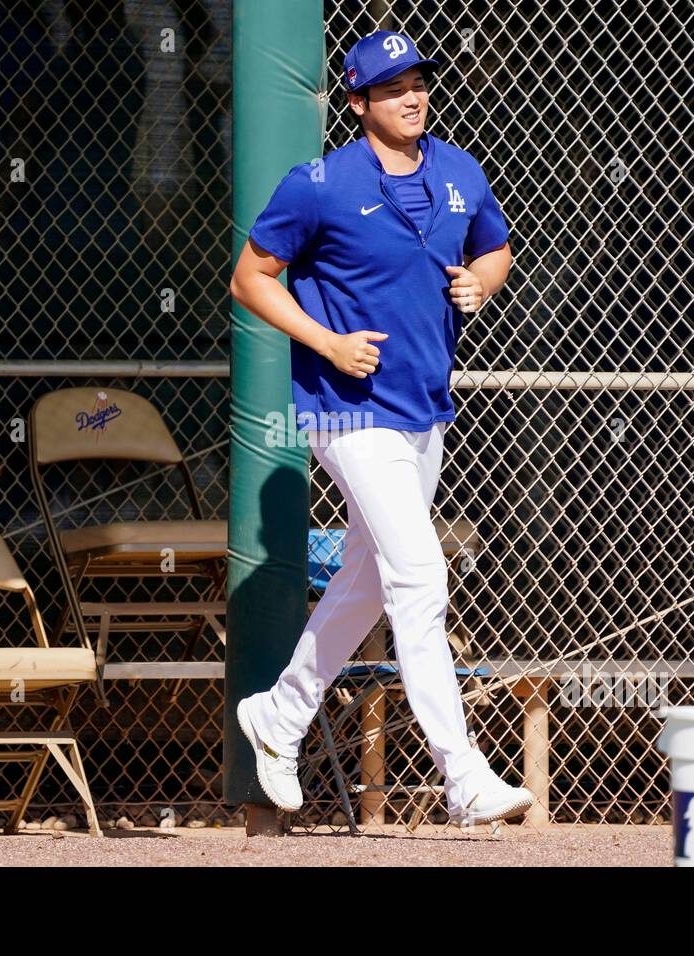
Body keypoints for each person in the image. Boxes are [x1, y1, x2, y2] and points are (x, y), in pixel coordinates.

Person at [228, 29, 531, 827]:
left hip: (424, 407)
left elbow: (496, 251)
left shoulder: (460, 169)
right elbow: (250, 277)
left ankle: (280, 715)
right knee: (419, 575)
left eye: (419, 81)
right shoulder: (319, 184)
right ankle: (460, 772)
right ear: (358, 101)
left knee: (366, 579)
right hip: (346, 410)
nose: (412, 95)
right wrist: (325, 341)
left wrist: (480, 283)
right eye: (392, 86)